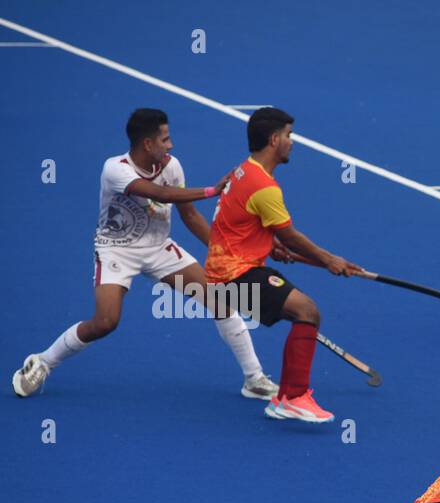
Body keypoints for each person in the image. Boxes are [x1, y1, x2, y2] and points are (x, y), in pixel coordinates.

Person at [11, 108, 278, 399]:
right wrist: (212, 190)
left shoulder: (172, 166)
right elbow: (159, 194)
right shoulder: (115, 168)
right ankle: (43, 361)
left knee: (220, 299)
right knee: (106, 322)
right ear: (147, 144)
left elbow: (188, 215)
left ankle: (254, 378)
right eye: (165, 139)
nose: (171, 145)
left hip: (158, 247)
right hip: (117, 251)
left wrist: (224, 249)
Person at [204, 107, 364, 424]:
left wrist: (267, 243)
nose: (292, 142)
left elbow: (237, 222)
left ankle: (287, 397)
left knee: (303, 311)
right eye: (289, 135)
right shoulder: (264, 187)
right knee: (307, 311)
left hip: (230, 271)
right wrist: (330, 259)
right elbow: (290, 236)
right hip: (234, 277)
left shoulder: (243, 171)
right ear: (274, 139)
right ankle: (293, 398)